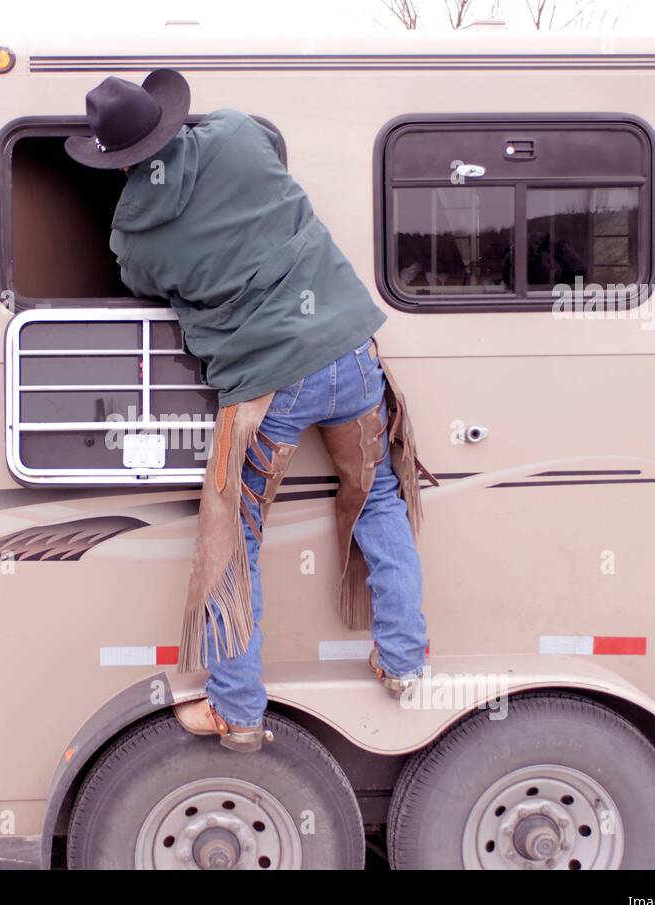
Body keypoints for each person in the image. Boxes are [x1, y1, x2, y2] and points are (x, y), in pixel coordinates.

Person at [65, 69, 434, 753]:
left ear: (115, 162)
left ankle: (238, 709)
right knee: (379, 494)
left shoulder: (133, 240)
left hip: (268, 386)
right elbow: (239, 143)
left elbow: (146, 283)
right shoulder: (236, 134)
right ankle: (405, 661)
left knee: (235, 537)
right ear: (169, 123)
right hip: (353, 355)